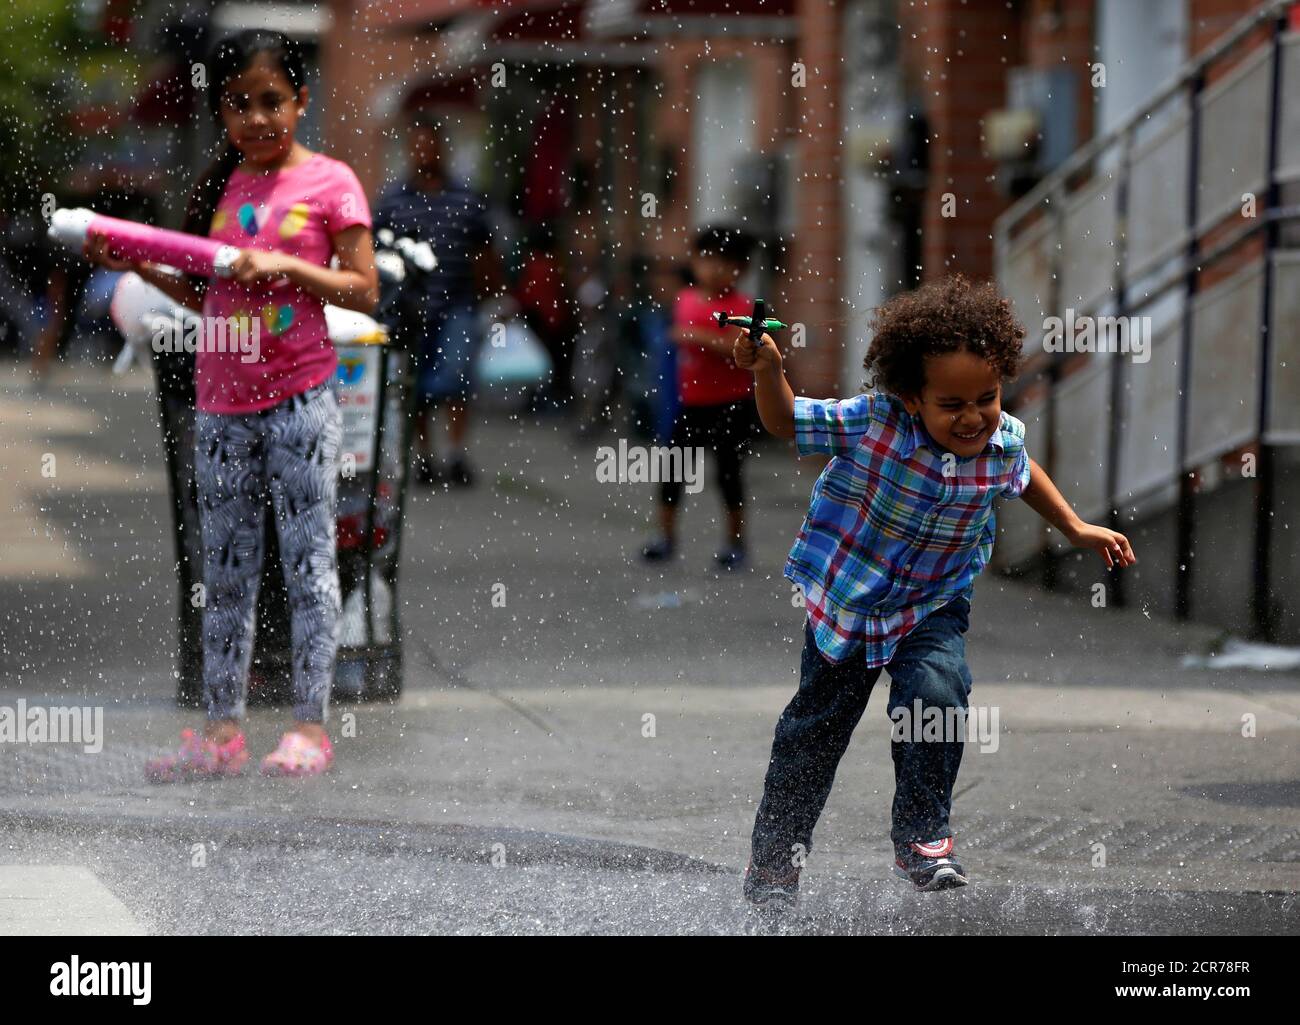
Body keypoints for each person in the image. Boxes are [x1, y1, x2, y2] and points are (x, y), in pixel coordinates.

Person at [734, 275, 1137, 907]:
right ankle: (775, 864)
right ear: (910, 396)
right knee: (813, 734)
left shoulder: (999, 438)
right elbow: (786, 421)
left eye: (987, 397)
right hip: (849, 602)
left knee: (938, 695)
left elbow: (1023, 472)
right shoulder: (873, 421)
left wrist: (1076, 526)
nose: (974, 417)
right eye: (952, 404)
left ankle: (922, 837)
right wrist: (769, 370)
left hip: (932, 604)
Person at [84, 29, 378, 780]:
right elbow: (206, 294)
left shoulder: (332, 182)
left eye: (272, 101)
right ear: (221, 110)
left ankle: (310, 726)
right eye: (239, 104)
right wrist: (142, 263)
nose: (257, 118)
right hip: (220, 404)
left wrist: (285, 262)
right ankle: (220, 731)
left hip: (301, 401)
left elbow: (363, 287)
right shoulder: (219, 187)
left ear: (301, 100)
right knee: (225, 568)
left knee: (308, 564)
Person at [373, 109, 507, 488]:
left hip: (458, 306)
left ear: (441, 149)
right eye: (417, 146)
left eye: (430, 145)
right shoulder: (392, 200)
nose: (424, 153)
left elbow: (484, 252)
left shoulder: (466, 198)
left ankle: (456, 454)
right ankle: (426, 457)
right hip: (411, 310)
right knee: (415, 384)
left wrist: (493, 298)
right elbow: (376, 252)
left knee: (456, 379)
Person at [640, 226, 760, 569]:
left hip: (731, 404)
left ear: (742, 269)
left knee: (729, 475)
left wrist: (700, 337)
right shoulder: (686, 299)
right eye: (707, 260)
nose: (714, 269)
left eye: (725, 263)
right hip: (690, 403)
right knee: (673, 472)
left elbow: (745, 351)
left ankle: (735, 542)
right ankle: (664, 537)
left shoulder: (743, 307)